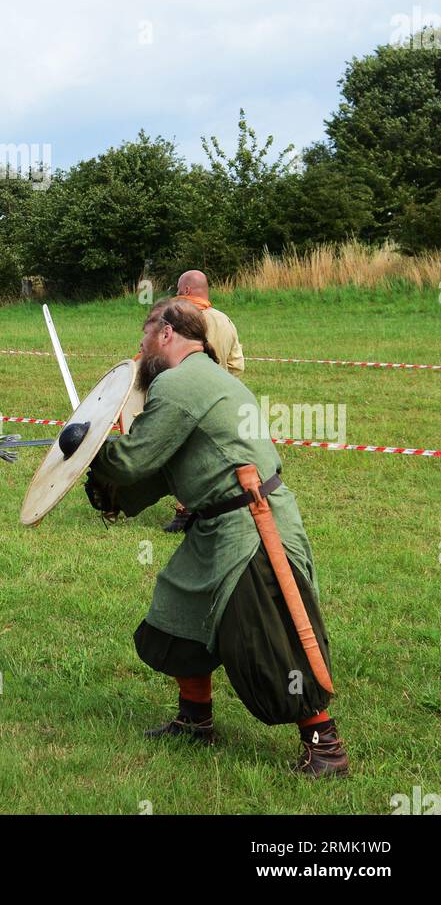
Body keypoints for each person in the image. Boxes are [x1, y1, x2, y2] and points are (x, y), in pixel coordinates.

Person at [87, 297, 348, 778]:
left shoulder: (180, 382)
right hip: (217, 522)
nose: (140, 349)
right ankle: (195, 720)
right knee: (179, 610)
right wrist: (109, 490)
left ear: (166, 333)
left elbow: (135, 459)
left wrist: (90, 450)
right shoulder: (208, 376)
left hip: (251, 528)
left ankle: (325, 746)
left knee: (271, 637)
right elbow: (170, 465)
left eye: (144, 336)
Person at [163, 269, 244, 533]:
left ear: (186, 291)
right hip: (221, 399)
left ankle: (185, 512)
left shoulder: (183, 322)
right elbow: (236, 364)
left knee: (184, 453)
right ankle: (218, 509)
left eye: (178, 290)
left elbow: (169, 360)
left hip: (189, 397)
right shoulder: (225, 320)